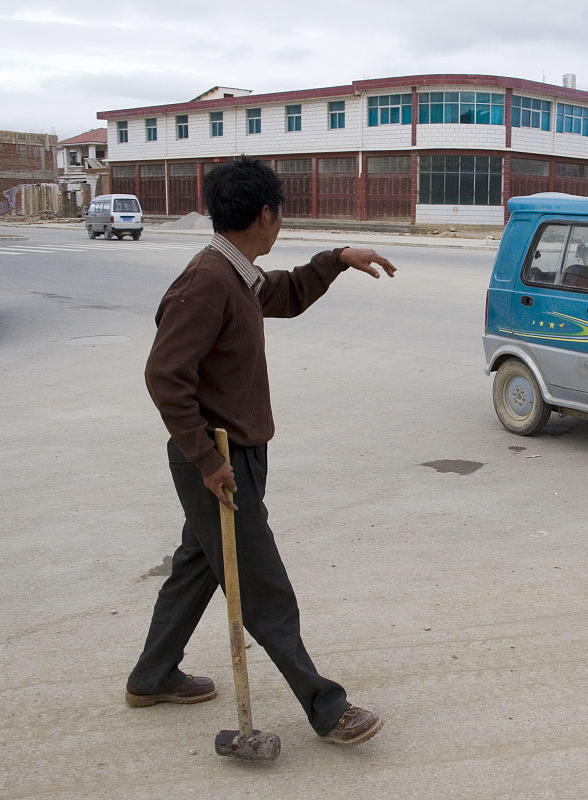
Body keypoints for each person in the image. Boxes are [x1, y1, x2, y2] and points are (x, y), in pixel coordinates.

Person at [125, 155, 396, 747]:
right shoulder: (206, 280)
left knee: (198, 566)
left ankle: (151, 677)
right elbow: (165, 375)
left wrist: (337, 261)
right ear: (264, 213)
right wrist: (206, 459)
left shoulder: (237, 272)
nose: (281, 226)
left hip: (234, 454)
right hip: (218, 458)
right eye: (280, 215)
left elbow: (288, 292)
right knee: (262, 585)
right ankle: (328, 707)